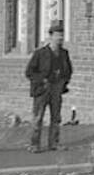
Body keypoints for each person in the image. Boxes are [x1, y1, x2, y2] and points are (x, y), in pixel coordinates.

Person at [25, 21, 73, 153]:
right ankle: (34, 144)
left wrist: (64, 82)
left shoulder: (64, 53)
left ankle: (54, 143)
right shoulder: (40, 53)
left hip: (57, 88)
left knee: (56, 117)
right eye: (58, 35)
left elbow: (68, 70)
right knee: (38, 117)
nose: (60, 38)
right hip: (42, 88)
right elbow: (29, 72)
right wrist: (42, 80)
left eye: (62, 35)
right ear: (50, 36)